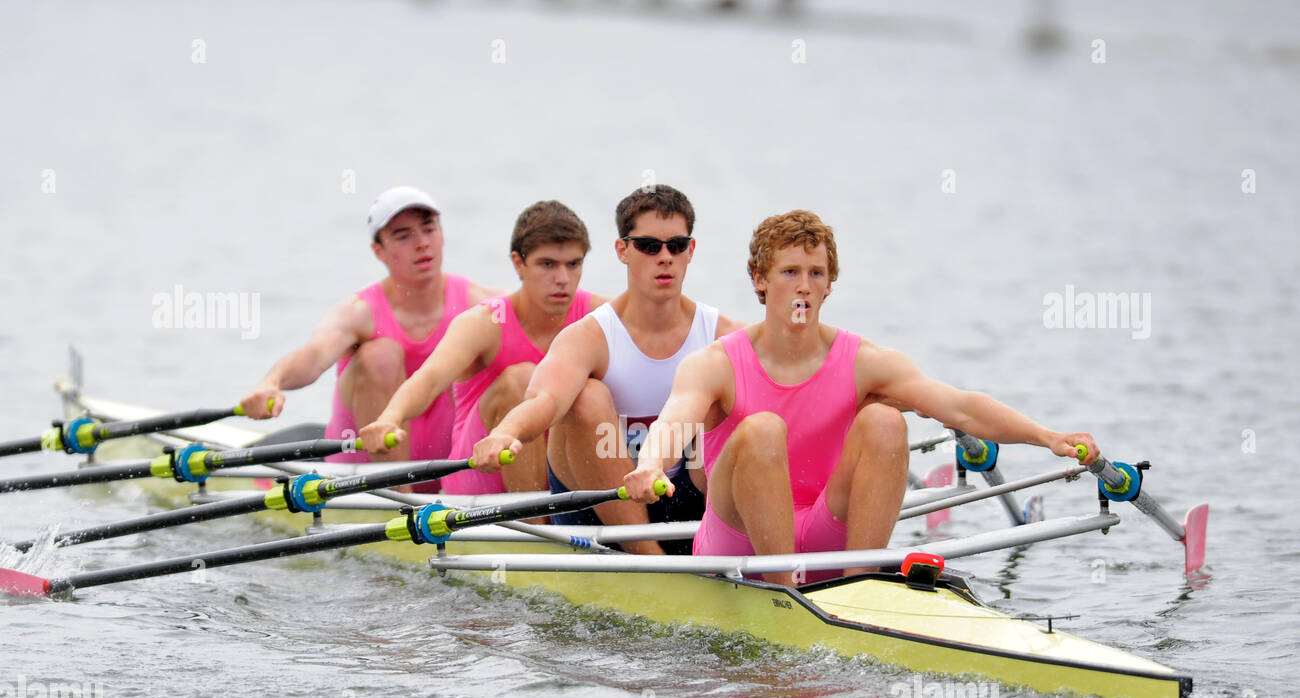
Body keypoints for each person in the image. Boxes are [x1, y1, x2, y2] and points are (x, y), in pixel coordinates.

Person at [625, 210, 1100, 583]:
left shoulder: (866, 360)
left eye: (816, 273)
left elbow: (958, 407)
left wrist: (1046, 436)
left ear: (831, 284)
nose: (804, 286)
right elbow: (674, 422)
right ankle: (786, 593)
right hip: (740, 543)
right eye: (790, 271)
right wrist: (649, 467)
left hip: (826, 532)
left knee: (886, 422)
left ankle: (860, 585)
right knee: (763, 428)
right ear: (759, 279)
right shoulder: (715, 364)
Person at [469, 185, 746, 554]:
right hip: (598, 510)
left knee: (735, 402)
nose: (664, 257)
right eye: (649, 246)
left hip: (685, 498)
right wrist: (507, 432)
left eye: (675, 245)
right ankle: (650, 562)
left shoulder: (723, 335)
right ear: (623, 250)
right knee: (586, 397)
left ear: (690, 250)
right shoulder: (590, 336)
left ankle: (750, 555)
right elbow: (545, 399)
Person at [359, 201, 607, 494]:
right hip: (479, 478)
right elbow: (429, 379)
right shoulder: (485, 322)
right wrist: (390, 418)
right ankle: (537, 528)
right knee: (524, 378)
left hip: (559, 473)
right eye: (547, 264)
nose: (562, 279)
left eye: (573, 264)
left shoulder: (599, 316)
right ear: (518, 263)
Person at [238, 186, 495, 465]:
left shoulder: (480, 303)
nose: (422, 243)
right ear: (379, 251)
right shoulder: (359, 313)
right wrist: (270, 383)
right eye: (403, 236)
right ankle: (397, 494)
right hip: (364, 478)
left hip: (452, 474)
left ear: (442, 235)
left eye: (428, 229)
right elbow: (313, 356)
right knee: (381, 355)